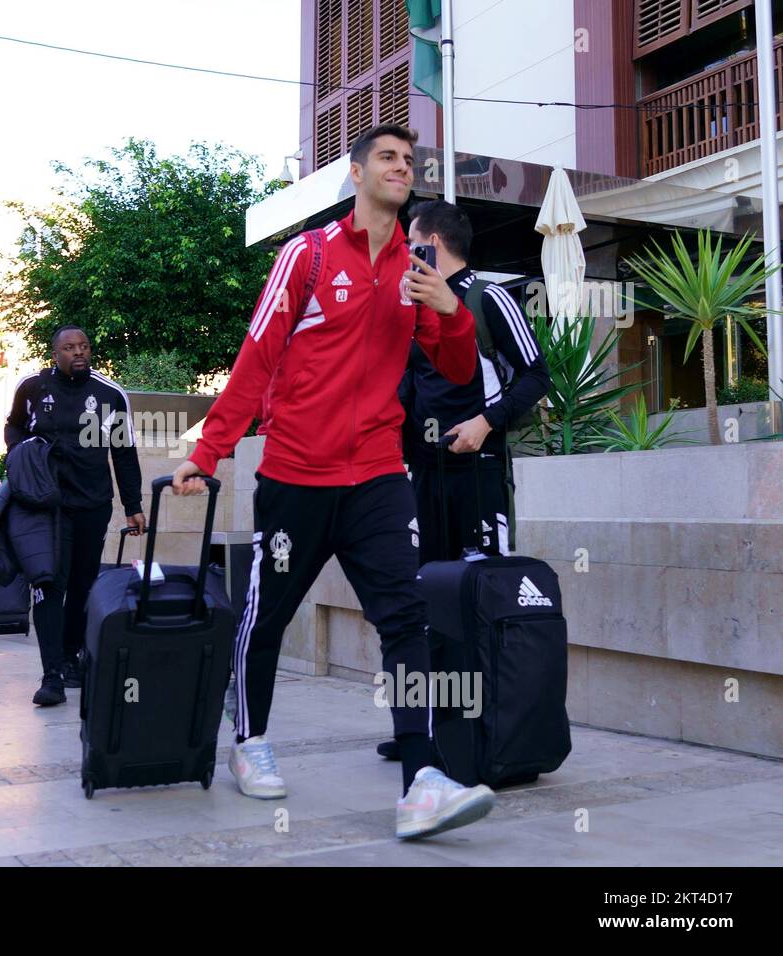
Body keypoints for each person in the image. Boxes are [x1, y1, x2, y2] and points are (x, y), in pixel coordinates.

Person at [171, 124, 498, 840]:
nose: (401, 167)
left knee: (406, 619)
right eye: (387, 157)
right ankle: (250, 741)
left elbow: (456, 376)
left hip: (379, 472)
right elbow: (257, 357)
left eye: (410, 161)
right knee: (266, 616)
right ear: (355, 173)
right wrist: (209, 450)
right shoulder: (309, 255)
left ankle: (422, 781)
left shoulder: (419, 272)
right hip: (295, 471)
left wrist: (452, 316)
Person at [375, 199, 551, 764]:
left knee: (484, 600)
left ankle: (494, 731)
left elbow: (535, 378)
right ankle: (425, 735)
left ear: (431, 241)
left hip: (478, 478)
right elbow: (403, 391)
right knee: (422, 605)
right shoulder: (412, 310)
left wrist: (483, 422)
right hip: (422, 480)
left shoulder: (489, 297)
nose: (405, 253)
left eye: (411, 243)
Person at [5, 326, 145, 707]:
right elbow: (14, 424)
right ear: (56, 354)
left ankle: (71, 658)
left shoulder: (110, 394)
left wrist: (133, 506)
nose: (78, 352)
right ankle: (51, 675)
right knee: (50, 584)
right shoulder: (32, 387)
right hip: (45, 506)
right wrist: (19, 455)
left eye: (83, 346)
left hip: (92, 504)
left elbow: (125, 452)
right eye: (69, 348)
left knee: (82, 586)